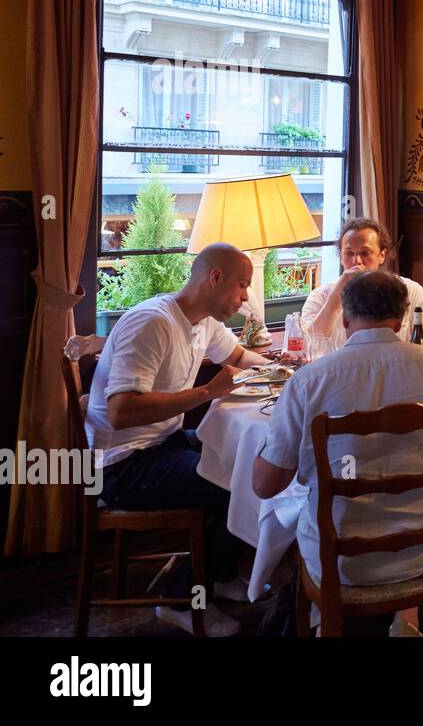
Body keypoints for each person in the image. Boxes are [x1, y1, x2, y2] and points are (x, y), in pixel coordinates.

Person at [253, 271, 423, 634]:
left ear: (345, 320)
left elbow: (265, 485)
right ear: (400, 320)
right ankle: (404, 618)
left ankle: (321, 622)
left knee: (290, 512)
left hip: (342, 560)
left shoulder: (309, 381)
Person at [86, 243, 272, 637]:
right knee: (237, 484)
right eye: (242, 285)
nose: (245, 296)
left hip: (162, 443)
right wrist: (207, 393)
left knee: (250, 462)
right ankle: (178, 598)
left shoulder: (202, 320)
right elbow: (120, 412)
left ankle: (216, 576)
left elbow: (240, 357)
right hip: (121, 465)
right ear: (214, 277)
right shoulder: (152, 322)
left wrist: (287, 370)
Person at [300, 218, 423, 356]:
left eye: (365, 253)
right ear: (340, 256)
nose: (357, 261)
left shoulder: (409, 290)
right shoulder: (320, 296)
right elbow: (306, 348)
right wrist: (335, 296)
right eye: (349, 253)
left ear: (382, 255)